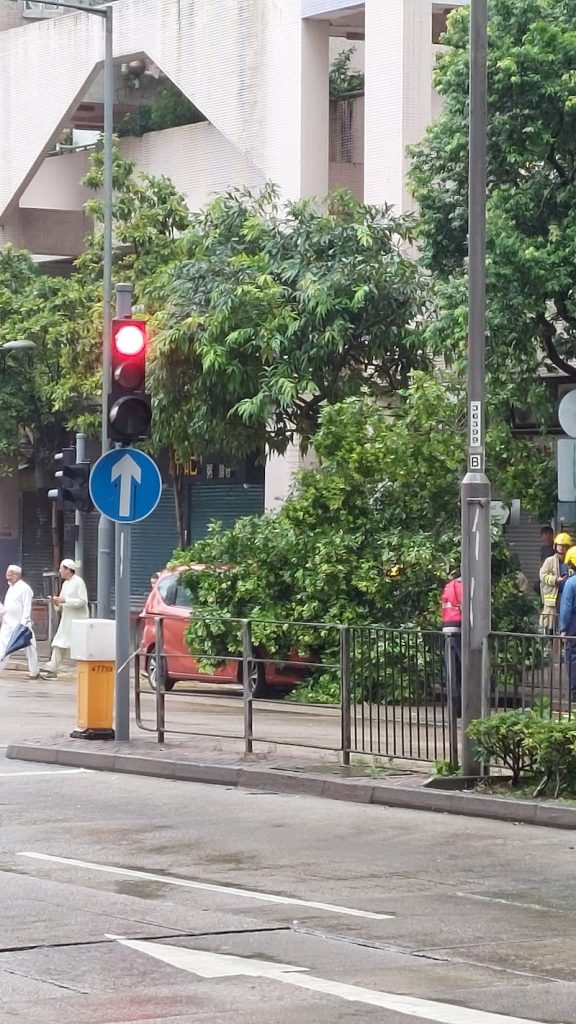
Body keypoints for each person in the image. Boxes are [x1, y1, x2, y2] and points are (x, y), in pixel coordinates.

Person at [40, 559, 88, 678]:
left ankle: (85, 671)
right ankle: (52, 667)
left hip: (78, 621)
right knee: (60, 643)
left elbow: (82, 601)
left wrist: (64, 600)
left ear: (68, 569)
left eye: (62, 568)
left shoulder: (79, 582)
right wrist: (57, 602)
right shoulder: (65, 584)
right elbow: (62, 602)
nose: (60, 571)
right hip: (67, 620)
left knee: (80, 646)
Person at [0, 565, 38, 678]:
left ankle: (34, 672)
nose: (8, 574)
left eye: (10, 572)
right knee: (3, 646)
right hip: (8, 623)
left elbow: (27, 607)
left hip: (21, 624)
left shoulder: (25, 588)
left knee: (30, 648)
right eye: (7, 572)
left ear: (17, 575)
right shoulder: (11, 587)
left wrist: (24, 622)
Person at [539, 532, 572, 633]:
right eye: (559, 545)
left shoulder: (571, 561)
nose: (561, 548)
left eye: (564, 545)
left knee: (566, 624)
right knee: (550, 625)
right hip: (553, 599)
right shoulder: (549, 561)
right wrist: (555, 580)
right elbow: (542, 576)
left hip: (567, 596)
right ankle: (548, 646)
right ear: (555, 546)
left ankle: (564, 646)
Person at [440, 574, 462, 712]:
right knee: (464, 668)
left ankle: (453, 706)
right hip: (460, 628)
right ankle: (461, 705)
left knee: (451, 670)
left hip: (447, 627)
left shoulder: (449, 586)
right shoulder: (463, 585)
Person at [558, 546, 576, 698]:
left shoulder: (571, 583)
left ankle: (574, 693)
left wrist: (563, 628)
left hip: (573, 628)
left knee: (572, 658)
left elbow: (566, 609)